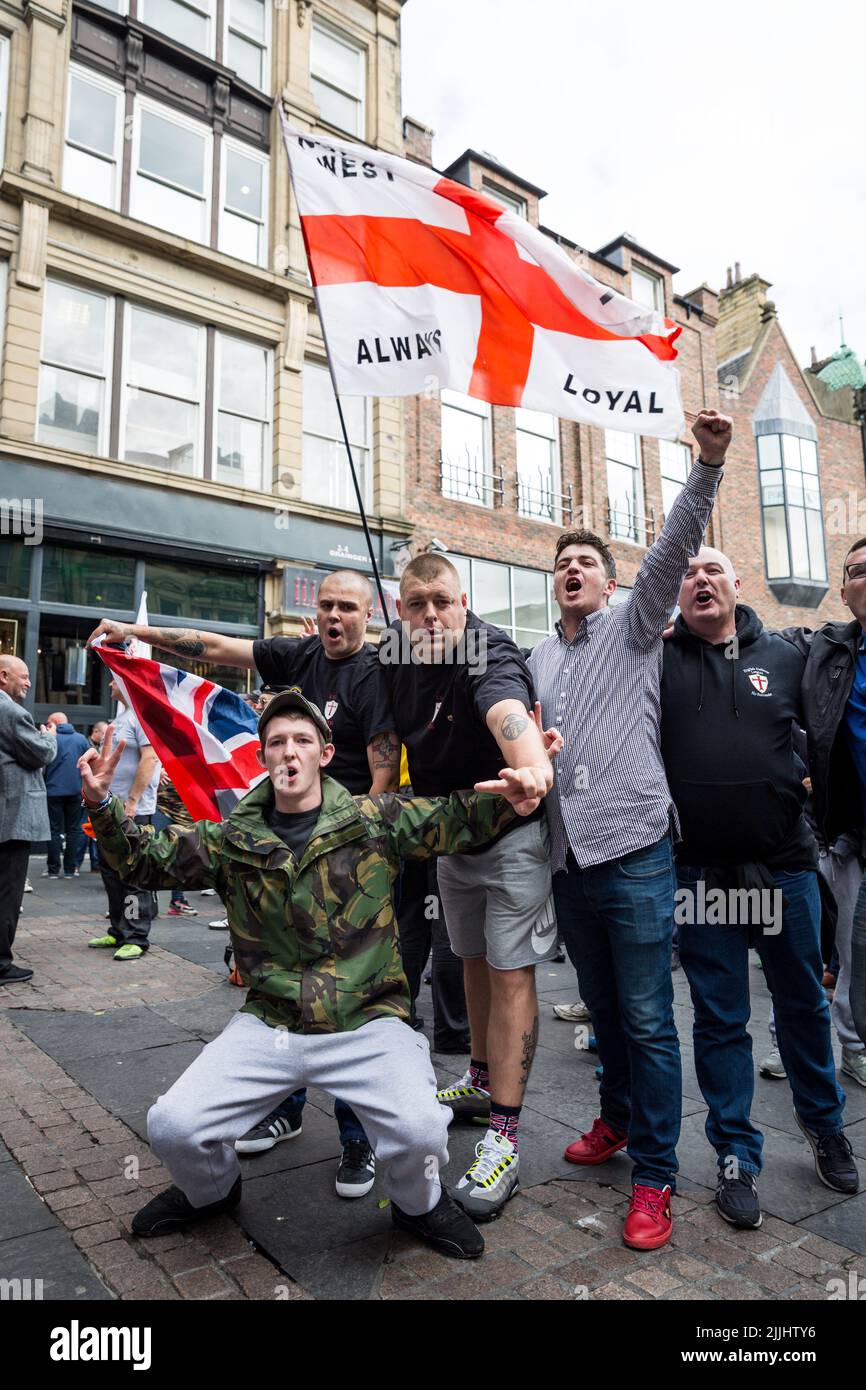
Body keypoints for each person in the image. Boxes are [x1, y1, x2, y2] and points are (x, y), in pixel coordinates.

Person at [78, 691, 542, 1257]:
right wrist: (103, 805)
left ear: (324, 753)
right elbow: (146, 859)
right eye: (276, 742)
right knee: (173, 1126)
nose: (288, 752)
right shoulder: (232, 840)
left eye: (301, 740)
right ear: (264, 757)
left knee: (422, 1130)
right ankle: (211, 1193)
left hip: (369, 1020)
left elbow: (452, 817)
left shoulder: (374, 821)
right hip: (272, 1024)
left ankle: (417, 1205)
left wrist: (517, 796)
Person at [87, 570, 399, 1198]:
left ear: (370, 615)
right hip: (284, 850)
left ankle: (358, 1140)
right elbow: (215, 646)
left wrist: (361, 840)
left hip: (347, 859)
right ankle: (283, 1107)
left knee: (349, 995)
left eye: (349, 608)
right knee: (282, 981)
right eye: (328, 606)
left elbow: (383, 765)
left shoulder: (379, 673)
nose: (335, 616)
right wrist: (133, 633)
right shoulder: (300, 654)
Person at [527, 409, 731, 1252]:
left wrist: (709, 463)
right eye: (563, 564)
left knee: (649, 1018)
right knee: (604, 1012)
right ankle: (614, 1120)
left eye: (586, 563)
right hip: (568, 862)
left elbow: (675, 543)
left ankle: (655, 1177)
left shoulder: (637, 625)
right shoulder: (536, 658)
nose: (573, 570)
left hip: (638, 850)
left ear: (609, 585)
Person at [660, 546, 857, 1229]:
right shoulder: (657, 659)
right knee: (719, 1019)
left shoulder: (787, 654)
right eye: (686, 575)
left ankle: (825, 1125)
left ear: (737, 586)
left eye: (712, 570)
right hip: (701, 876)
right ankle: (736, 1153)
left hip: (784, 869)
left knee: (802, 1005)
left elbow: (832, 714)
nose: (699, 579)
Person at [381, 552, 555, 1221]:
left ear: (463, 601)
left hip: (512, 834)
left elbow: (507, 706)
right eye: (416, 601)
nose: (430, 614)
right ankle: (480, 1081)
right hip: (451, 841)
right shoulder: (394, 658)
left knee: (511, 975)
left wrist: (532, 765)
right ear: (399, 608)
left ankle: (504, 1138)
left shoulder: (488, 648)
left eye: (442, 601)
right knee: (473, 964)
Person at [783, 538, 866, 1063]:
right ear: (842, 590)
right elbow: (775, 640)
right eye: (858, 570)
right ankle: (846, 1048)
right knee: (845, 950)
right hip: (849, 832)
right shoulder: (829, 650)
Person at [87, 679, 160, 961]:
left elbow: (150, 758)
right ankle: (118, 930)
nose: (108, 683)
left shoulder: (143, 716)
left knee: (132, 874)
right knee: (110, 871)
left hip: (133, 810)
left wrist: (132, 802)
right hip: (111, 808)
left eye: (115, 678)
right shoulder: (123, 717)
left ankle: (135, 936)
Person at [0, 655, 55, 985]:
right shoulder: (9, 710)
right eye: (24, 676)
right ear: (3, 675)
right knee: (7, 893)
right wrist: (49, 736)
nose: (29, 683)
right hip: (12, 817)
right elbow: (40, 754)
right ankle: (2, 963)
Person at [43, 712, 90, 879]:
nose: (47, 726)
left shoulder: (51, 738)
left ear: (55, 722)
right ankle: (70, 869)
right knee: (74, 830)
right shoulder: (81, 739)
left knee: (54, 830)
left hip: (53, 790)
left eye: (49, 723)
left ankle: (53, 869)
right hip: (75, 791)